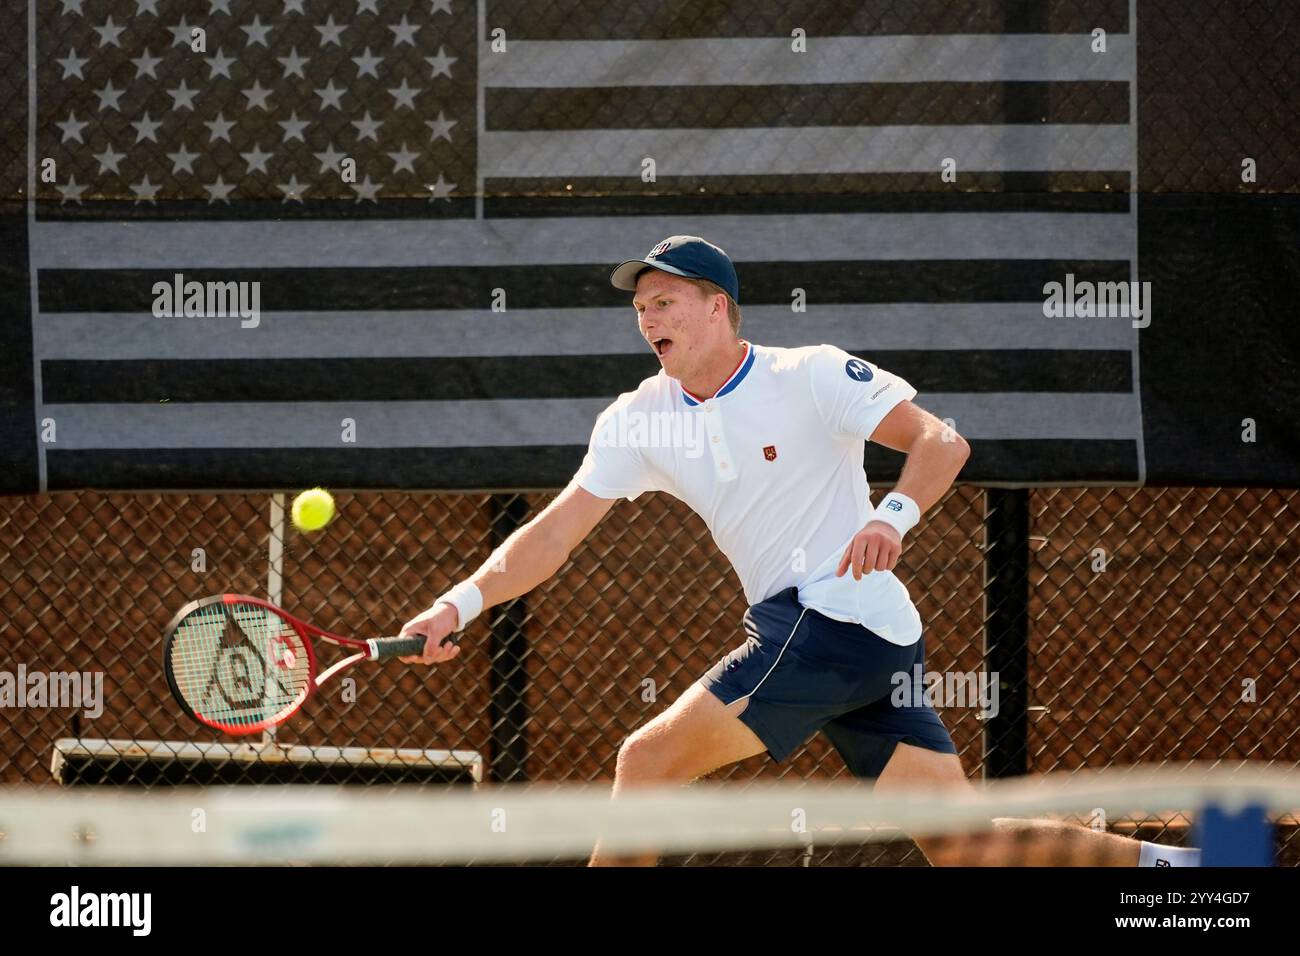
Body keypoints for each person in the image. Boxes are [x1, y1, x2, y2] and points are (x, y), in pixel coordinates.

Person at [398, 235, 1200, 868]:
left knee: (644, 763)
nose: (649, 320)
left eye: (665, 301)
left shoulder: (809, 375)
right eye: (641, 307)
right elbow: (554, 533)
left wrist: (891, 516)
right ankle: (1189, 877)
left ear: (719, 309)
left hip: (832, 619)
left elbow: (939, 443)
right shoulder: (638, 417)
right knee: (964, 847)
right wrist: (457, 603)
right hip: (848, 640)